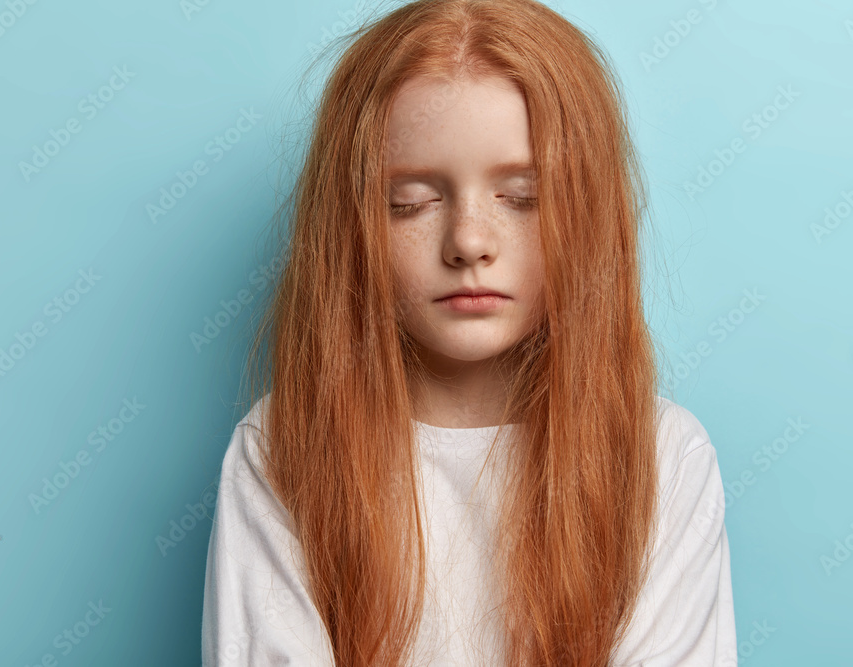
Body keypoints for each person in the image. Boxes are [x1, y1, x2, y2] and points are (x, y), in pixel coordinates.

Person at [202, 0, 736, 664]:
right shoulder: (284, 447)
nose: (468, 241)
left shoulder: (663, 456)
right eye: (411, 203)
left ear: (589, 214)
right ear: (353, 228)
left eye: (522, 197)